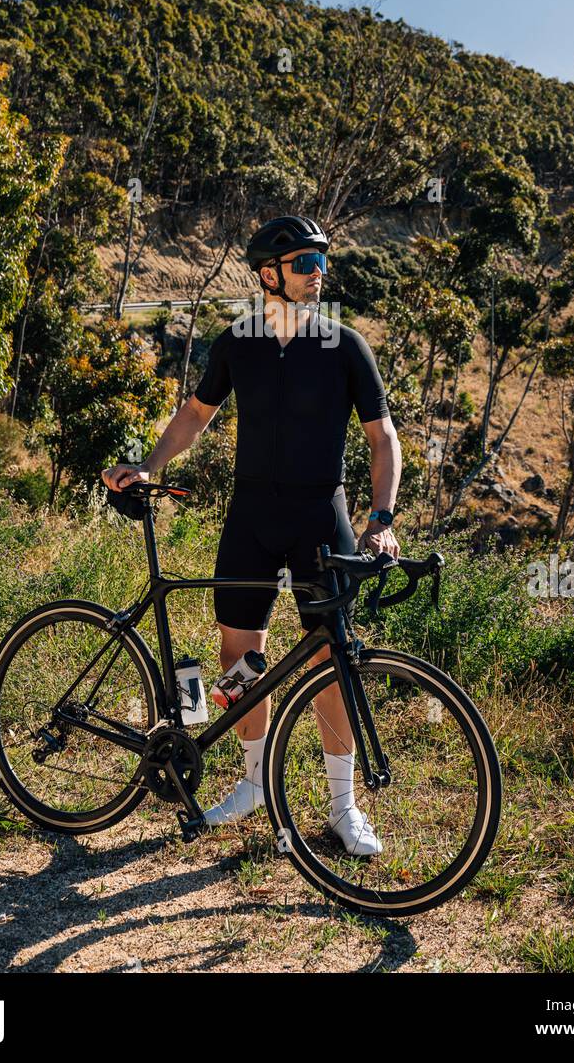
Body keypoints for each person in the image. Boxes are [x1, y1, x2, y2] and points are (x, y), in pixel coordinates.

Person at [101, 214, 402, 855]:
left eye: (323, 263)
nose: (319, 275)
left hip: (323, 517)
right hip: (251, 518)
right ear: (270, 274)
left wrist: (382, 520)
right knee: (239, 652)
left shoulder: (346, 346)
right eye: (305, 264)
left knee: (329, 660)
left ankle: (343, 808)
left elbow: (384, 441)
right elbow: (194, 416)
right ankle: (253, 783)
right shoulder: (238, 343)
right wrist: (149, 466)